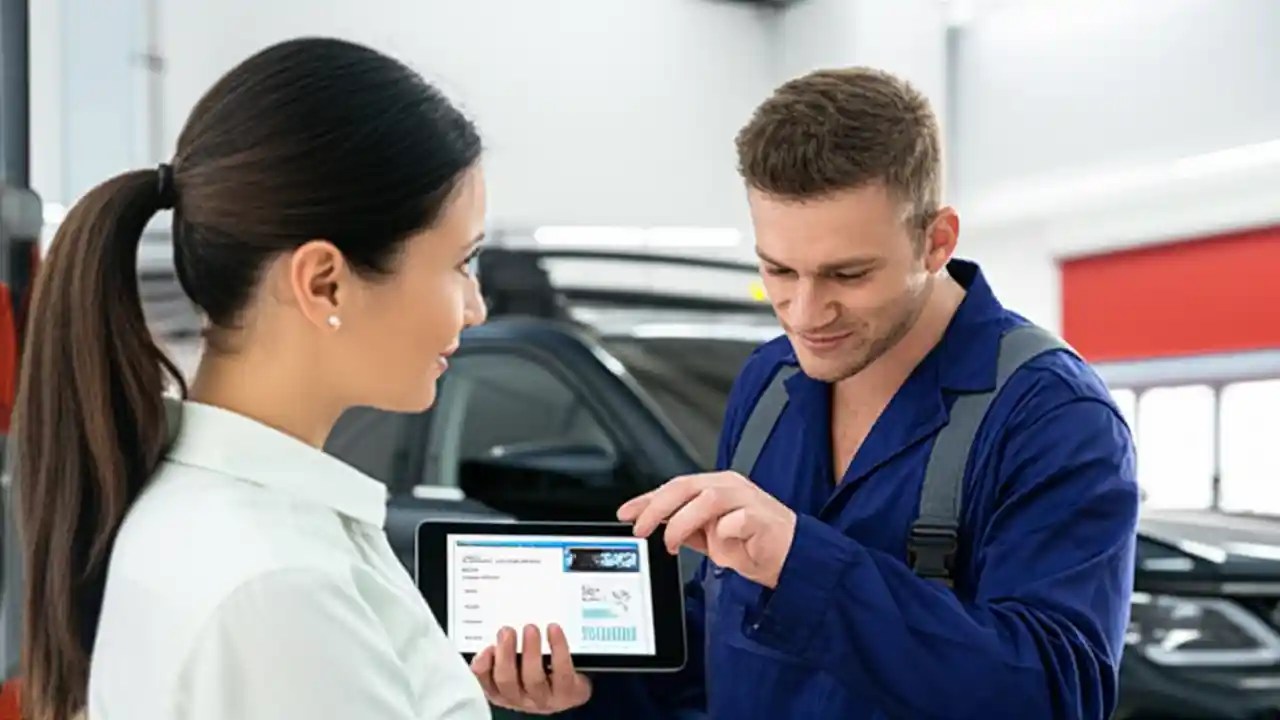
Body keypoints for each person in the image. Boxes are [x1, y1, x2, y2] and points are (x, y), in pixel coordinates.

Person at [471, 67, 1139, 719]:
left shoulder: (1054, 418)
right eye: (778, 270)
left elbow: (1057, 696)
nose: (804, 312)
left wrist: (801, 561)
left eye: (847, 274)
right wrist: (594, 689)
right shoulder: (770, 383)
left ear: (936, 241)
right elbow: (727, 647)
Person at [14, 38, 493, 720]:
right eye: (460, 263)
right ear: (325, 282)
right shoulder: (280, 583)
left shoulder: (208, 519)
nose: (476, 308)